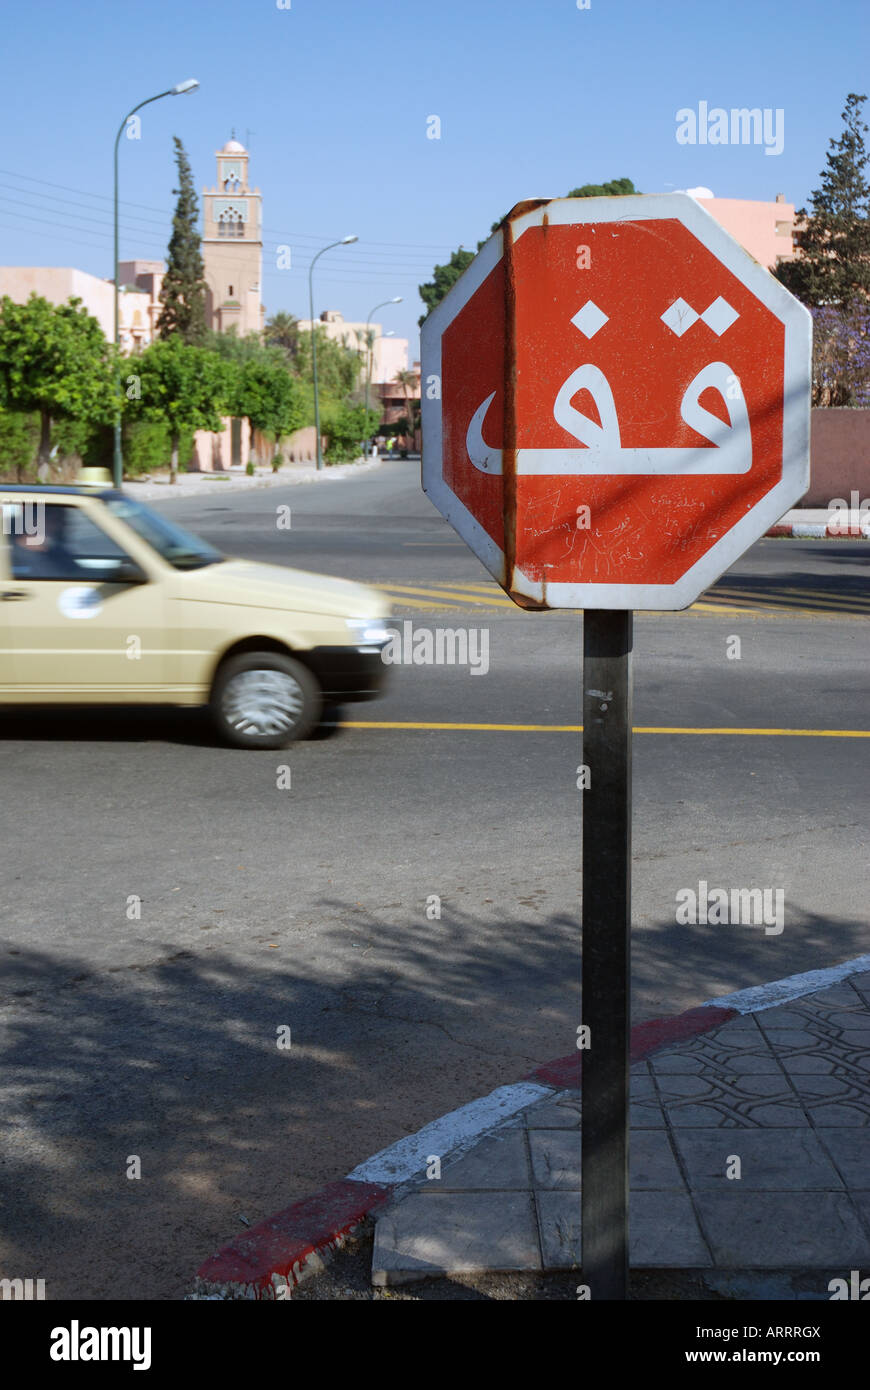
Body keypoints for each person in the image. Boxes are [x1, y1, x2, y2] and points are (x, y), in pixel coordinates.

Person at [9, 507, 81, 580]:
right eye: (55, 521)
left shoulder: (58, 552)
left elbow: (79, 574)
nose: (62, 526)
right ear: (34, 524)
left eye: (63, 521)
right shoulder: (11, 558)